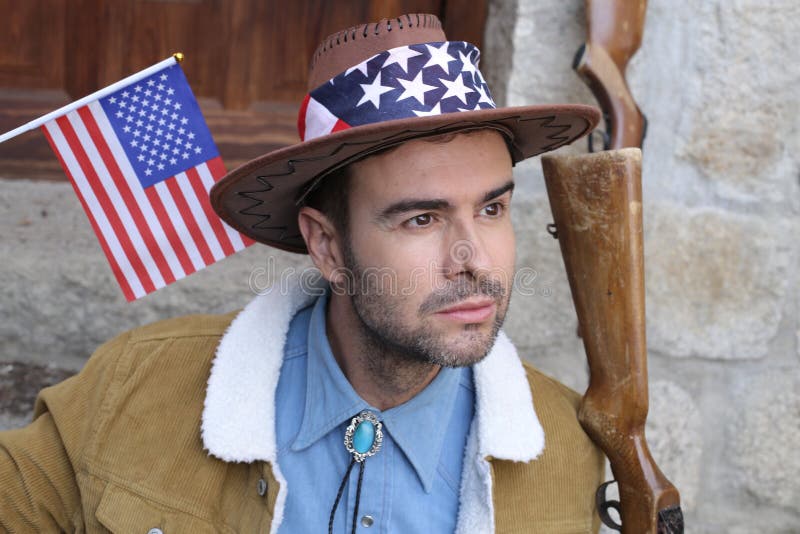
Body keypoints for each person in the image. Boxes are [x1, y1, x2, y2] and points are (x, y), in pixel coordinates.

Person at [0, 13, 605, 533]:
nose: (473, 257)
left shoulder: (574, 449)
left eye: (492, 208)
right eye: (422, 219)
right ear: (327, 244)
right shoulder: (134, 387)